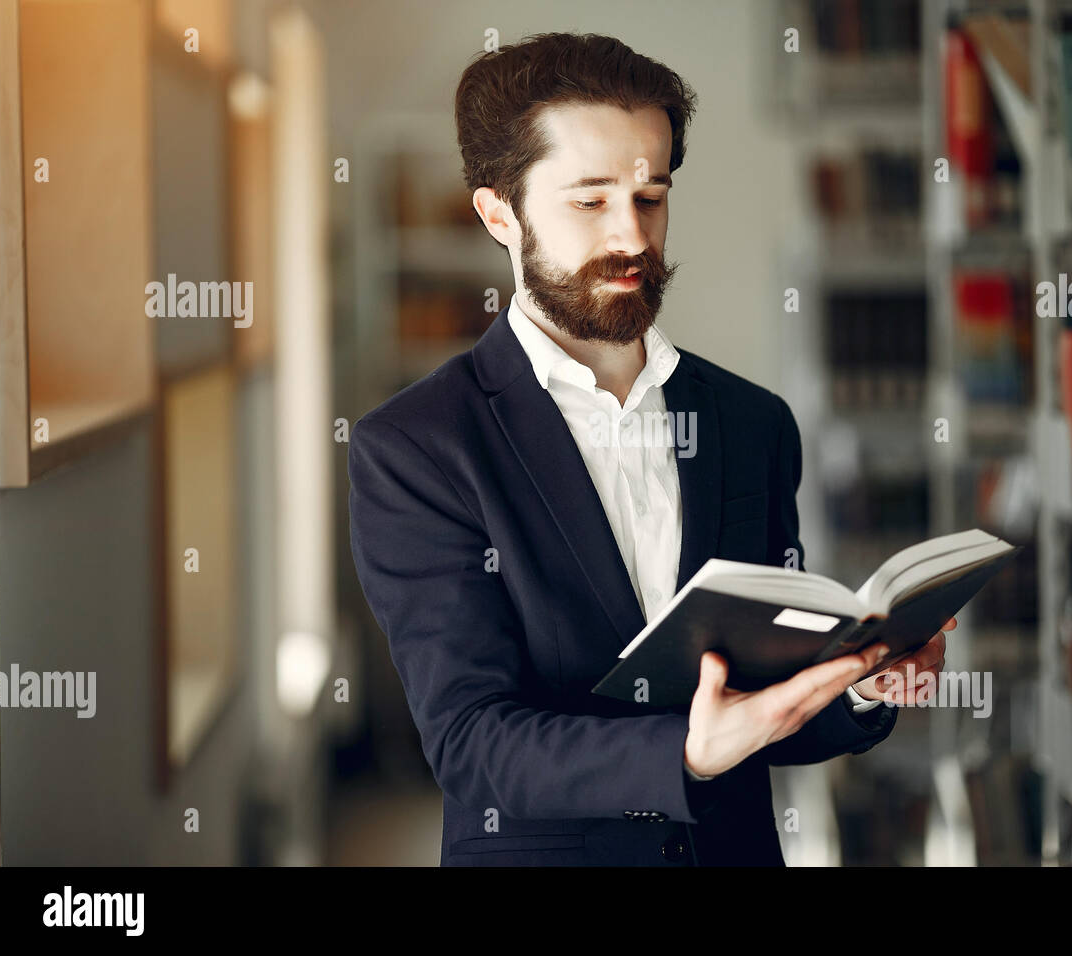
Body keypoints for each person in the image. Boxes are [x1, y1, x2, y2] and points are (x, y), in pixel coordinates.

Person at [348, 32, 953, 866]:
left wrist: (863, 687)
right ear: (499, 215)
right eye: (589, 202)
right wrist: (682, 755)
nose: (632, 237)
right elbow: (473, 741)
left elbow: (755, 703)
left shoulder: (752, 422)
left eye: (651, 196)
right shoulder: (415, 449)